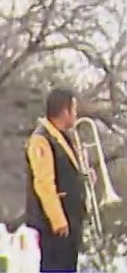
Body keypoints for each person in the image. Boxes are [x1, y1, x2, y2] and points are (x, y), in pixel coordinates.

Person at [24, 88, 83, 273]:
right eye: (74, 109)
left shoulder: (63, 137)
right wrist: (58, 220)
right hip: (54, 224)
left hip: (71, 219)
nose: (76, 114)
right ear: (65, 111)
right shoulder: (42, 140)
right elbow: (44, 184)